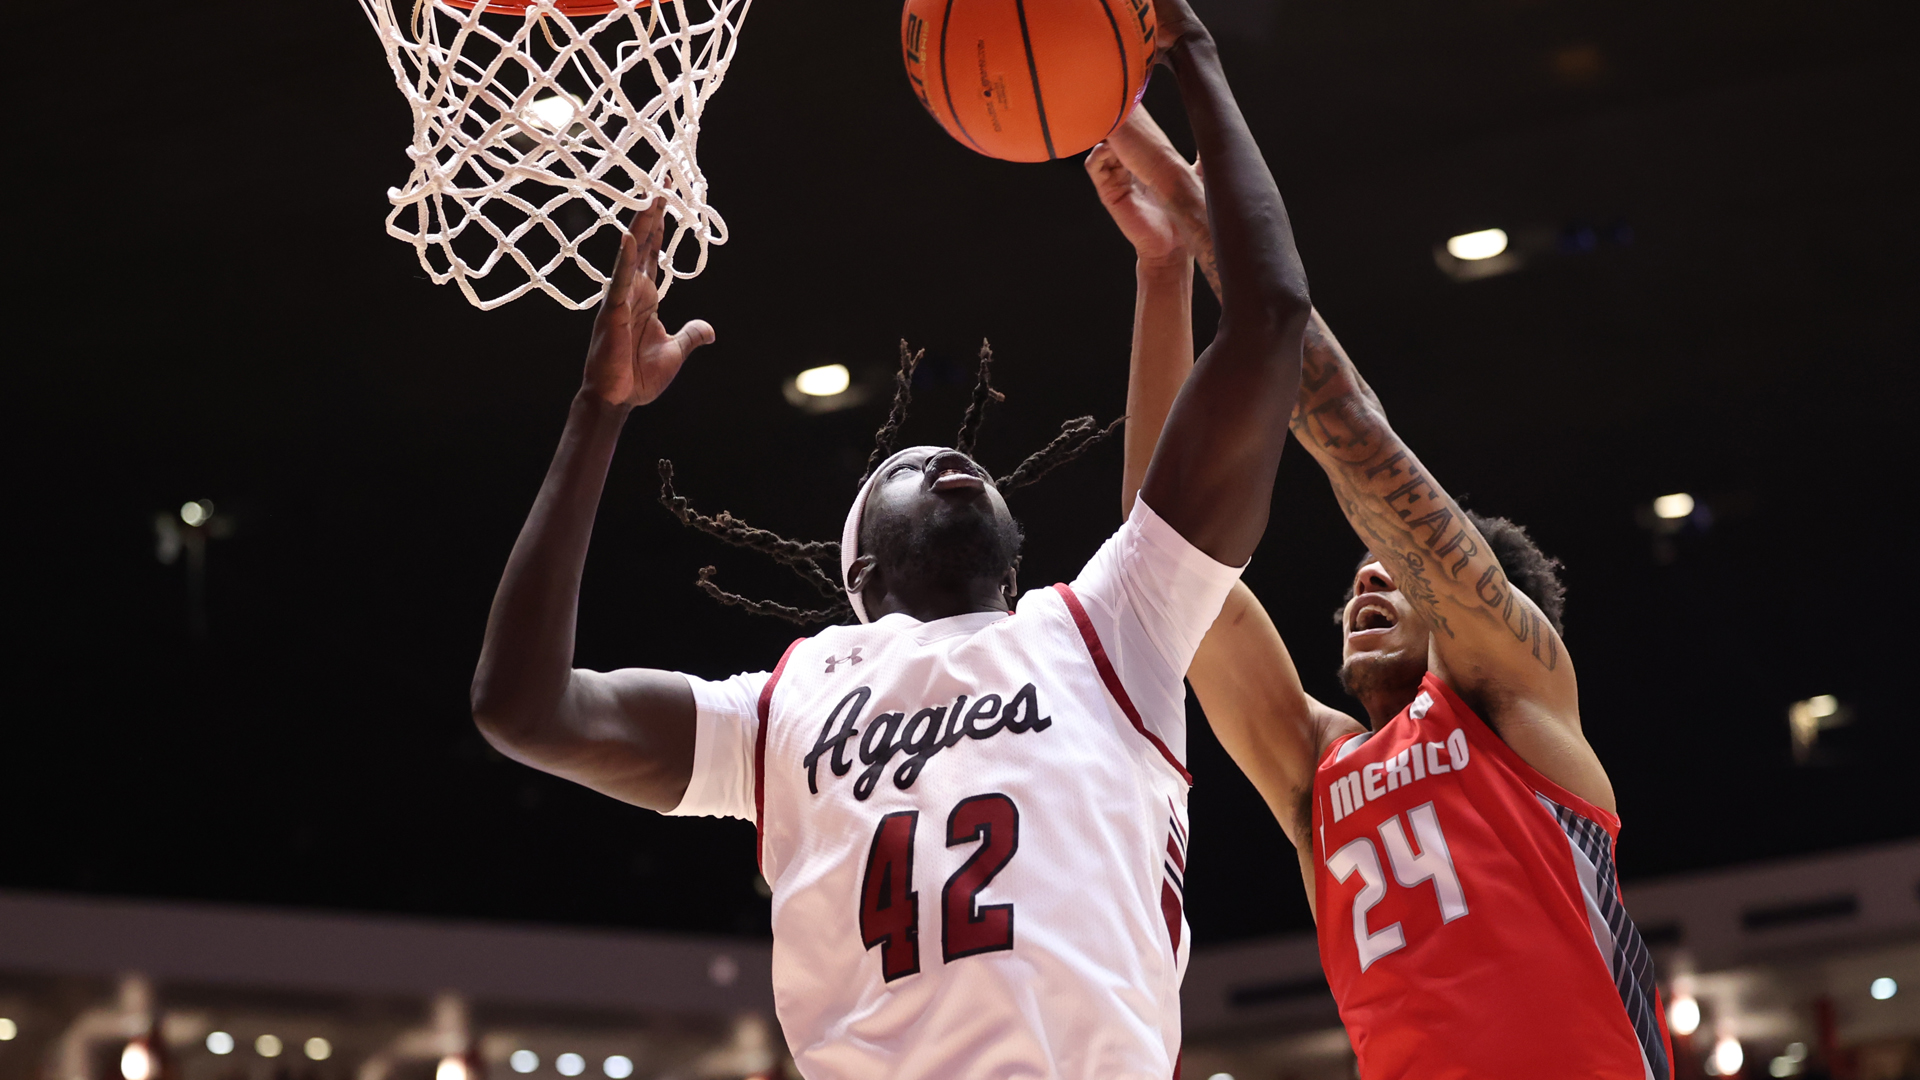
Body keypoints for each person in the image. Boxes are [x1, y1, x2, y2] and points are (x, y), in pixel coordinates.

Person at [469, 0, 1313, 1071]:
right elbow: (521, 708)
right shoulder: (781, 710)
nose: (937, 464)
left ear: (1015, 559)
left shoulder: (1112, 629)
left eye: (956, 470)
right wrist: (600, 415)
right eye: (899, 476)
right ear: (859, 576)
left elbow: (1272, 319)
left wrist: (1192, 61)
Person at [1086, 108, 1674, 1079]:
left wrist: (1205, 215)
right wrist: (1161, 274)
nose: (1368, 572)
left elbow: (1364, 449)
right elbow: (1162, 559)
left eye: (1400, 573)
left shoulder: (1513, 705)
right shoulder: (1316, 770)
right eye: (1366, 573)